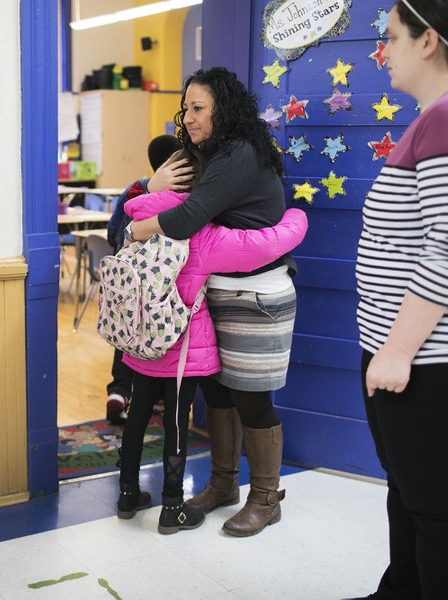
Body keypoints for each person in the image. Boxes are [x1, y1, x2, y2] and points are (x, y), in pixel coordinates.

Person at [351, 1, 448, 598]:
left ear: (428, 40)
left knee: (444, 519)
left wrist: (397, 351)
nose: (383, 50)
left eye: (391, 37)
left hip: (434, 359)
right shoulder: (440, 113)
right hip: (406, 354)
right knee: (408, 497)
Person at [128, 67, 296, 537]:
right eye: (186, 108)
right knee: (219, 393)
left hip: (258, 293)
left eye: (198, 108)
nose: (189, 117)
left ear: (224, 111)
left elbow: (186, 219)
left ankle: (266, 498)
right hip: (220, 288)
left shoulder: (238, 154)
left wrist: (135, 229)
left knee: (252, 399)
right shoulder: (209, 154)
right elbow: (165, 202)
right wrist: (151, 185)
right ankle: (224, 484)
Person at [104, 133, 182, 424]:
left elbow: (113, 231)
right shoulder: (180, 197)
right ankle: (159, 398)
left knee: (126, 333)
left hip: (126, 278)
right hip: (163, 282)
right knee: (160, 334)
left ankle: (119, 391)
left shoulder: (134, 189)